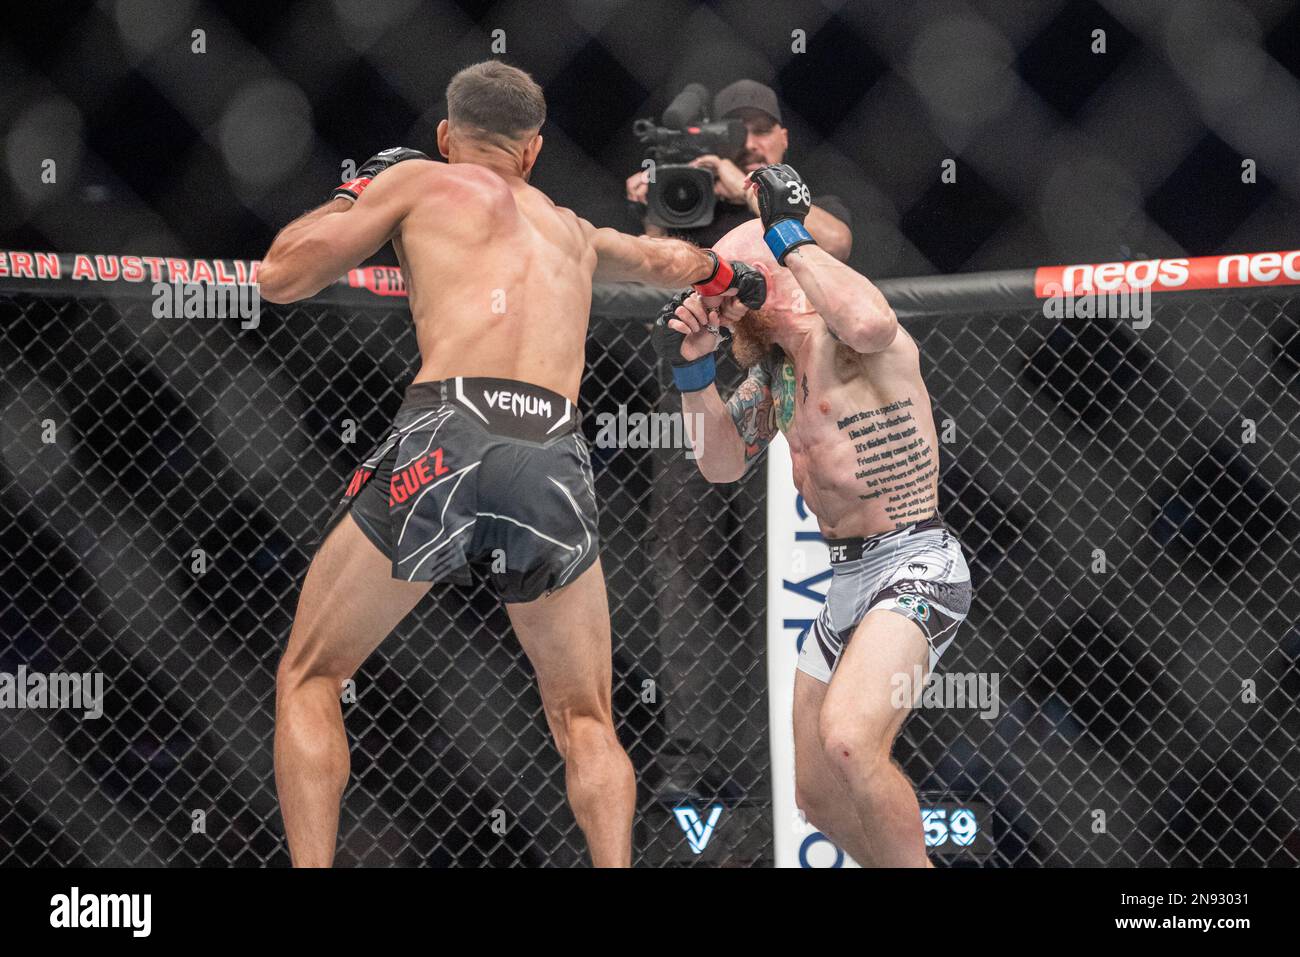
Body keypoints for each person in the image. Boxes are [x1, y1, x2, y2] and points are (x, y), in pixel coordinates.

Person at [258, 60, 765, 868]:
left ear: (447, 136)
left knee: (311, 675)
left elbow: (281, 276)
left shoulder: (422, 181)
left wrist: (360, 194)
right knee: (586, 718)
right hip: (555, 447)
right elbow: (663, 260)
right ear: (532, 151)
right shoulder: (569, 228)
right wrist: (728, 273)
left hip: (451, 429)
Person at [655, 163, 973, 866]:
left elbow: (868, 317)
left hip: (915, 560)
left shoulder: (848, 336)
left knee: (853, 740)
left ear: (769, 277)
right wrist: (695, 366)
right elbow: (720, 462)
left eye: (730, 288)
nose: (724, 306)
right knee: (817, 798)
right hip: (845, 584)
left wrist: (790, 236)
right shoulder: (775, 375)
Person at [625, 79, 852, 258]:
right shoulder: (691, 212)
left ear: (784, 139)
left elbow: (836, 244)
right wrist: (654, 214)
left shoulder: (815, 208)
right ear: (716, 142)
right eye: (735, 134)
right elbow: (660, 292)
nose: (749, 145)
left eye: (761, 130)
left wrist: (748, 190)